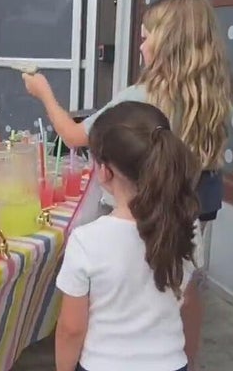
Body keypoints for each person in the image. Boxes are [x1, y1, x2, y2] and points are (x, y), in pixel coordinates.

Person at [23, 0, 233, 364]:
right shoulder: (211, 98)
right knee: (176, 287)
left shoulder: (141, 96)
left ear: (166, 42)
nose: (140, 46)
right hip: (187, 209)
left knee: (119, 287)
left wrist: (44, 94)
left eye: (146, 37)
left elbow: (73, 136)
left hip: (132, 211)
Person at [55, 101, 200, 371]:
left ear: (104, 172)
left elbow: (71, 329)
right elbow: (189, 304)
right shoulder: (183, 224)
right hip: (170, 364)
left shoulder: (86, 240)